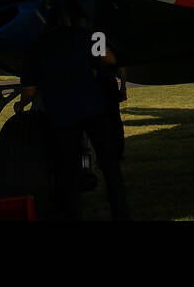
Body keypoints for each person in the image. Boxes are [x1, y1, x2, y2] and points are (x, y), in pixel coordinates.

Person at [16, 22, 128, 220]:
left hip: (63, 115)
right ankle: (120, 214)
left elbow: (30, 91)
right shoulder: (86, 34)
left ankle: (73, 215)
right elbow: (109, 58)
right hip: (93, 108)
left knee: (68, 172)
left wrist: (21, 104)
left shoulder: (33, 46)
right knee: (110, 167)